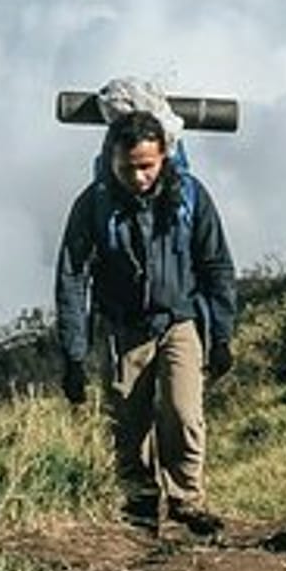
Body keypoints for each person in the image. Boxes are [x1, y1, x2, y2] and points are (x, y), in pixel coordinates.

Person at [55, 108, 237, 535]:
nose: (138, 177)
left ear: (164, 158)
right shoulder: (93, 204)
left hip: (180, 320)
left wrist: (223, 335)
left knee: (183, 413)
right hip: (123, 328)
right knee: (128, 422)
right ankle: (138, 503)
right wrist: (74, 355)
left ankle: (185, 501)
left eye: (146, 167)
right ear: (111, 160)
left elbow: (217, 265)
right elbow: (72, 276)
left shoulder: (191, 195)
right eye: (127, 167)